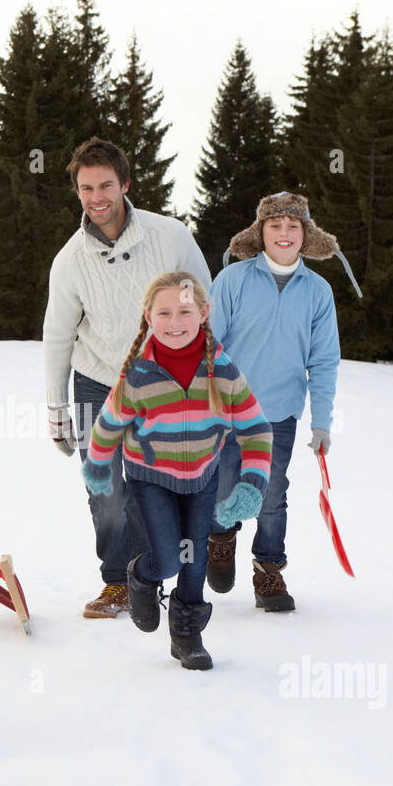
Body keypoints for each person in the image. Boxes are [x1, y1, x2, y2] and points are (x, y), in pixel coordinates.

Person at [43, 137, 211, 619]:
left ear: (125, 185)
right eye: (85, 187)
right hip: (98, 381)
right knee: (106, 491)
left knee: (151, 485)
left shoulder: (170, 236)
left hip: (162, 380)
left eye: (105, 186)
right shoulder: (69, 260)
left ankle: (149, 573)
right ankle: (118, 581)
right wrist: (56, 407)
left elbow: (205, 301)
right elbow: (57, 334)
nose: (96, 197)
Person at [81, 272, 272, 669]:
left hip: (202, 479)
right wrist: (98, 462)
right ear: (148, 317)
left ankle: (187, 635)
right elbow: (110, 422)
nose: (174, 321)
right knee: (168, 559)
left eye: (184, 311)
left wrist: (252, 483)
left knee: (194, 559)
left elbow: (256, 428)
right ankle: (143, 576)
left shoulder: (223, 370)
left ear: (202, 313)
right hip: (151, 480)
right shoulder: (139, 372)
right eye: (164, 312)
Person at [205, 191, 361, 611]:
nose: (284, 232)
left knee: (272, 492)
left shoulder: (317, 291)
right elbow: (209, 345)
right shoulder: (233, 280)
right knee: (223, 482)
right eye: (275, 225)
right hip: (228, 409)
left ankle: (269, 569)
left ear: (306, 235)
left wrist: (322, 422)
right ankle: (220, 539)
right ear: (261, 233)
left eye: (293, 226)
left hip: (280, 413)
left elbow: (324, 360)